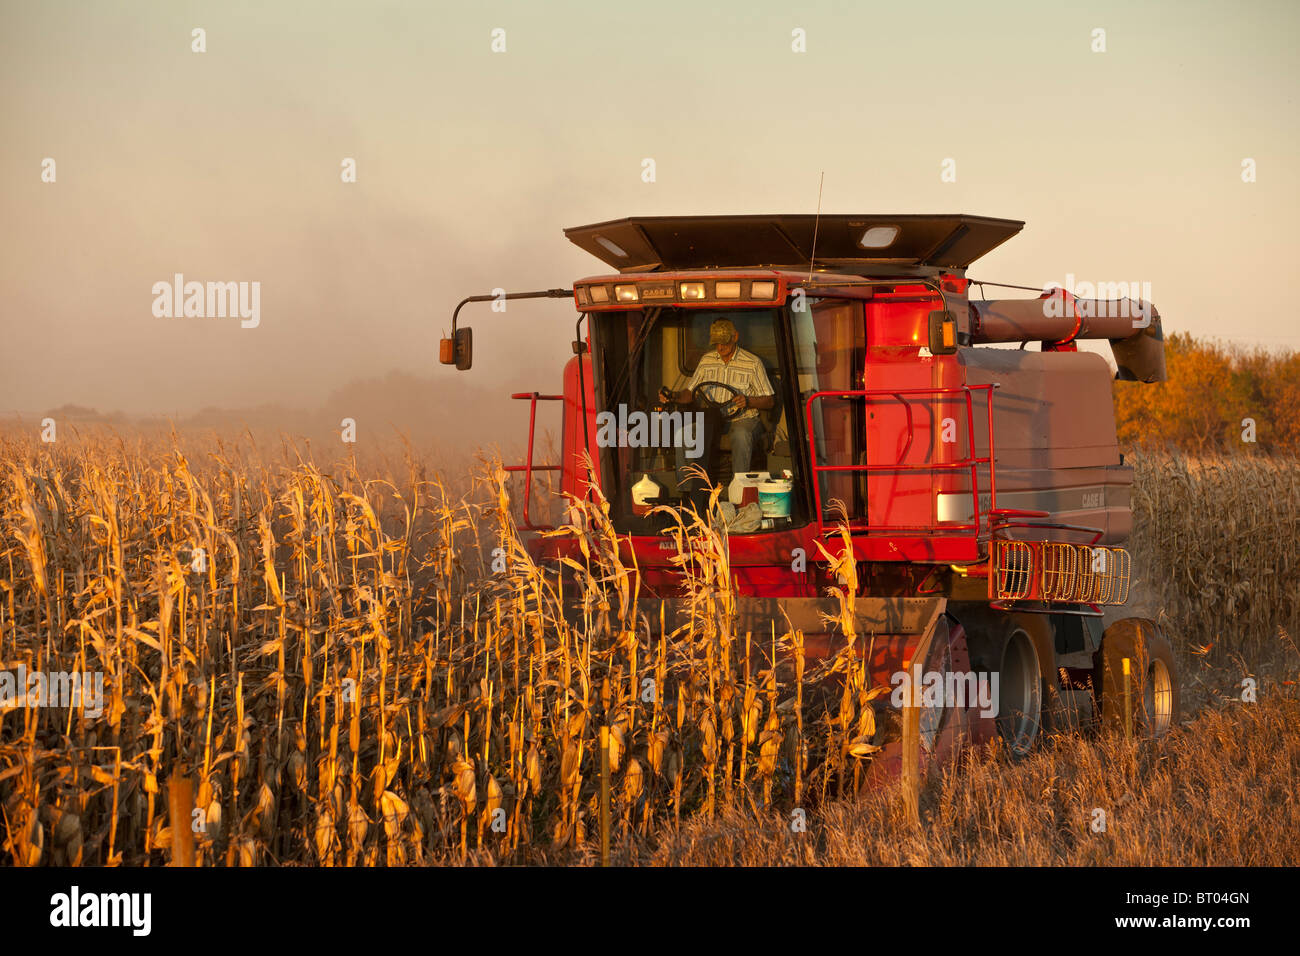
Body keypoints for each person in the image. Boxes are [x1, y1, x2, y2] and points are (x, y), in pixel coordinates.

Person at [659, 318, 775, 507]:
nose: (721, 347)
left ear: (735, 337)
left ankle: (739, 494)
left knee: (741, 435)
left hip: (742, 418)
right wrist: (673, 396)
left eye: (725, 342)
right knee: (683, 435)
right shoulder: (707, 361)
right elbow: (690, 393)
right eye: (717, 343)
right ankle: (689, 494)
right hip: (713, 419)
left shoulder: (753, 363)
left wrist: (748, 400)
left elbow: (769, 400)